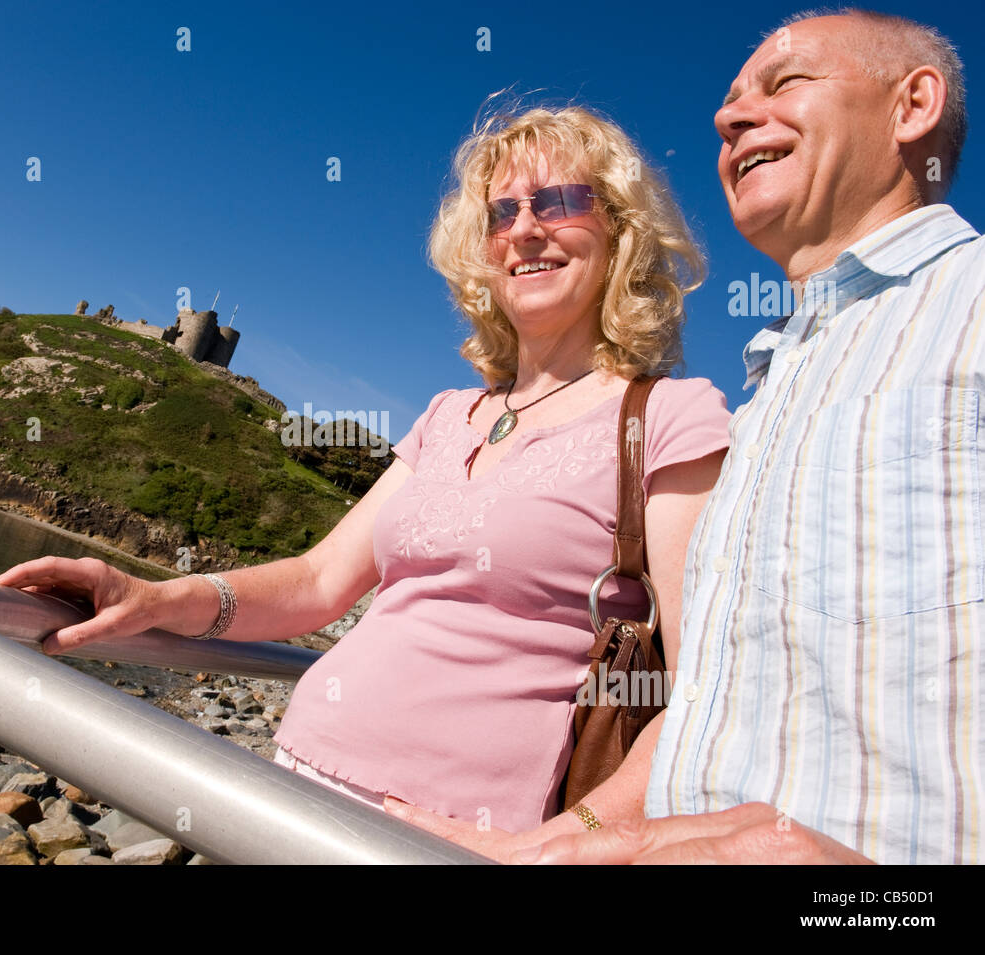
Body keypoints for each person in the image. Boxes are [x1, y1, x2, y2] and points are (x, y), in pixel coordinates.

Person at [0, 105, 731, 840]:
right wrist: (154, 596)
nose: (526, 228)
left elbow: (705, 688)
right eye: (501, 213)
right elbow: (317, 581)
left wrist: (578, 833)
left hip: (458, 838)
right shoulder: (447, 414)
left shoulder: (669, 418)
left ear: (621, 227)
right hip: (293, 782)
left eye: (559, 200)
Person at [393, 8, 982, 865]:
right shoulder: (766, 390)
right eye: (730, 101)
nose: (730, 116)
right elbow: (707, 700)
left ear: (913, 104)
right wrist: (576, 833)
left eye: (784, 83)